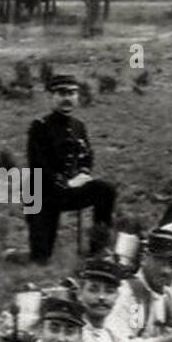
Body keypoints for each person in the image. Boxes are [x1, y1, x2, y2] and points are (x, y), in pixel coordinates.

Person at [25, 74, 117, 262]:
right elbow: (38, 164)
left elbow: (87, 155)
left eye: (72, 93)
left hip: (70, 190)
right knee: (41, 259)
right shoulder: (40, 126)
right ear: (51, 97)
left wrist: (83, 174)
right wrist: (64, 182)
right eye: (61, 93)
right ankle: (23, 258)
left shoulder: (78, 126)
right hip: (42, 194)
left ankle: (98, 249)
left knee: (105, 191)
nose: (67, 98)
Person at [106, 228, 172, 342]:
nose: (166, 270)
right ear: (144, 258)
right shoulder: (136, 298)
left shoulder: (168, 297)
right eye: (159, 261)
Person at [74, 257, 152, 342]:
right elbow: (136, 332)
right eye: (93, 290)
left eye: (109, 291)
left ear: (116, 295)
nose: (101, 297)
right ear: (79, 294)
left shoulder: (145, 297)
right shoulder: (136, 297)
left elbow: (134, 337)